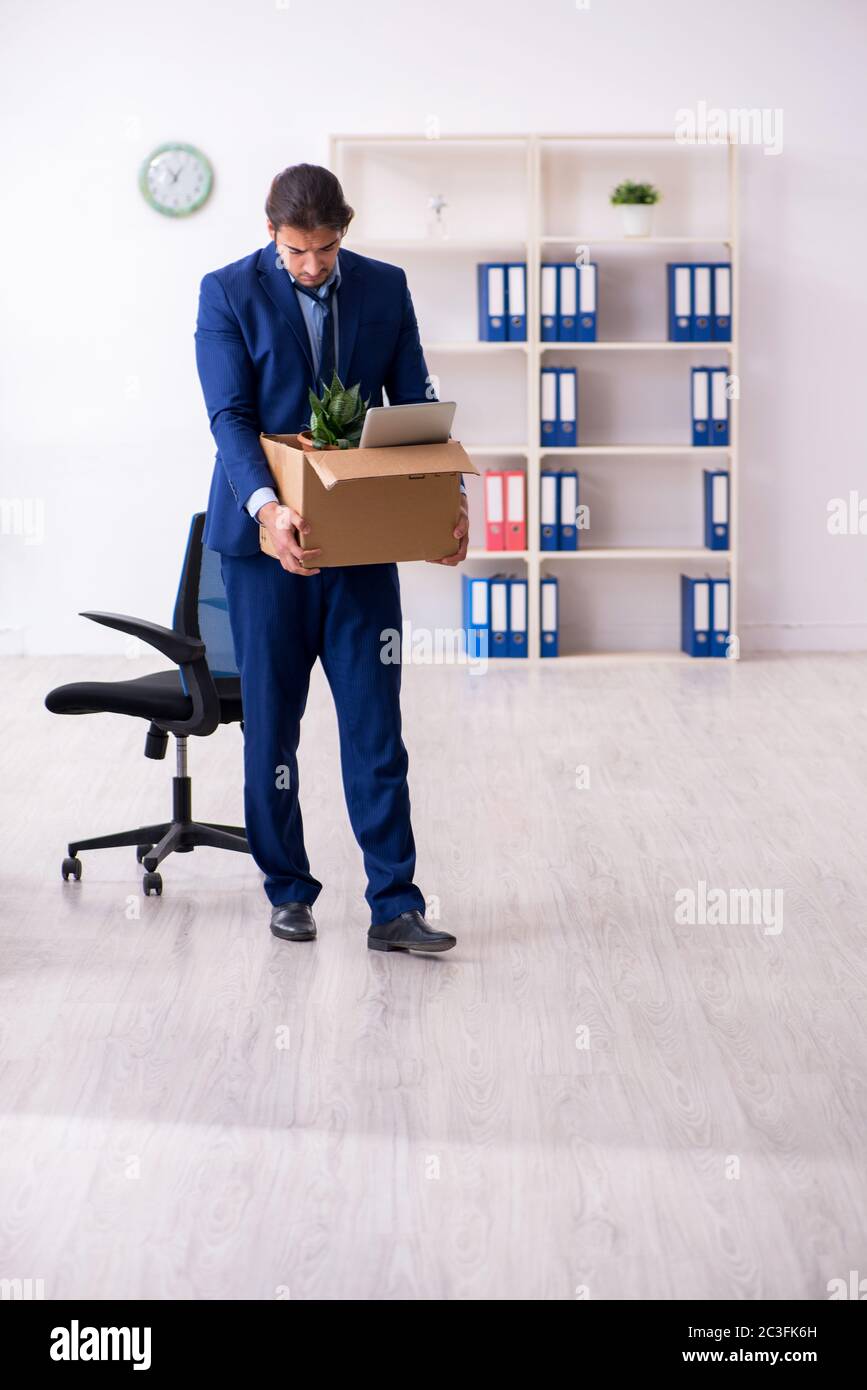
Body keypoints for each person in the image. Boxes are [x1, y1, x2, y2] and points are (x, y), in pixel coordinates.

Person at [194, 163, 467, 953]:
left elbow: (412, 404)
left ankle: (395, 905)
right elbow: (230, 418)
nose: (312, 264)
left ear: (343, 230)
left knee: (376, 727)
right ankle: (288, 890)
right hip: (262, 548)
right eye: (296, 250)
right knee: (271, 728)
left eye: (325, 248)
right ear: (271, 233)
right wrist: (270, 510)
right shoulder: (227, 292)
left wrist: (444, 505)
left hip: (359, 539)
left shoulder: (382, 286)